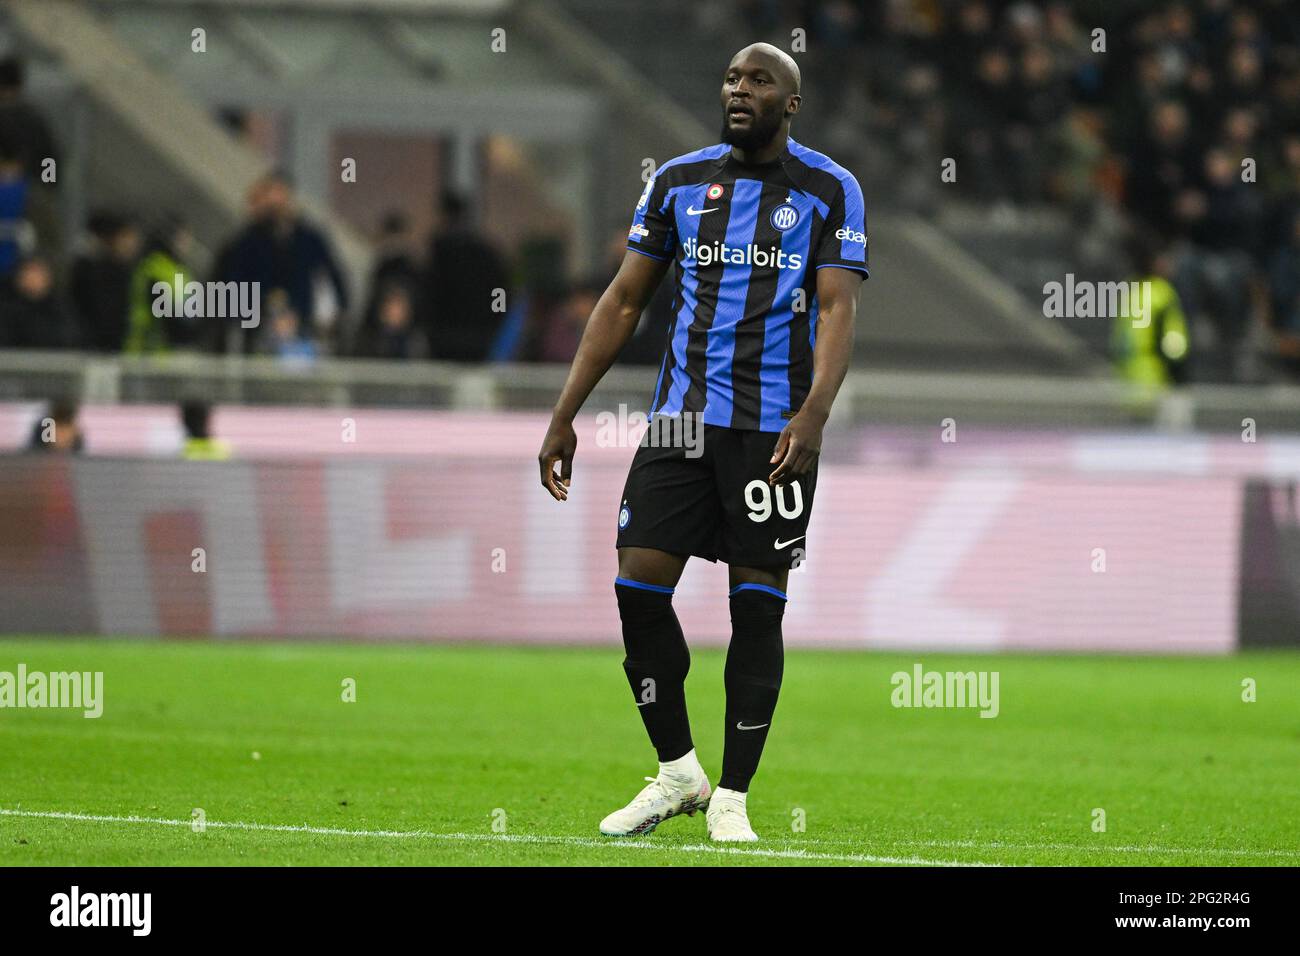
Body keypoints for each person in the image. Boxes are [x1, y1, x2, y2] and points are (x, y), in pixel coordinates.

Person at [537, 43, 868, 843]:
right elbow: (623, 301)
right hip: (680, 421)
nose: (739, 90)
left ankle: (734, 796)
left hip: (773, 429)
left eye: (759, 81)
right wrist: (563, 413)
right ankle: (677, 770)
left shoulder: (831, 190)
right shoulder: (678, 181)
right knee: (638, 588)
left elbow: (836, 312)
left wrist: (816, 413)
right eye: (730, 78)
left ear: (790, 103)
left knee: (757, 606)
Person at [422, 191, 510, 361]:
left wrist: (431, 327)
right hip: (480, 337)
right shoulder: (488, 252)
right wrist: (494, 320)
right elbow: (501, 291)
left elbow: (429, 293)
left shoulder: (439, 253)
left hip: (444, 338)